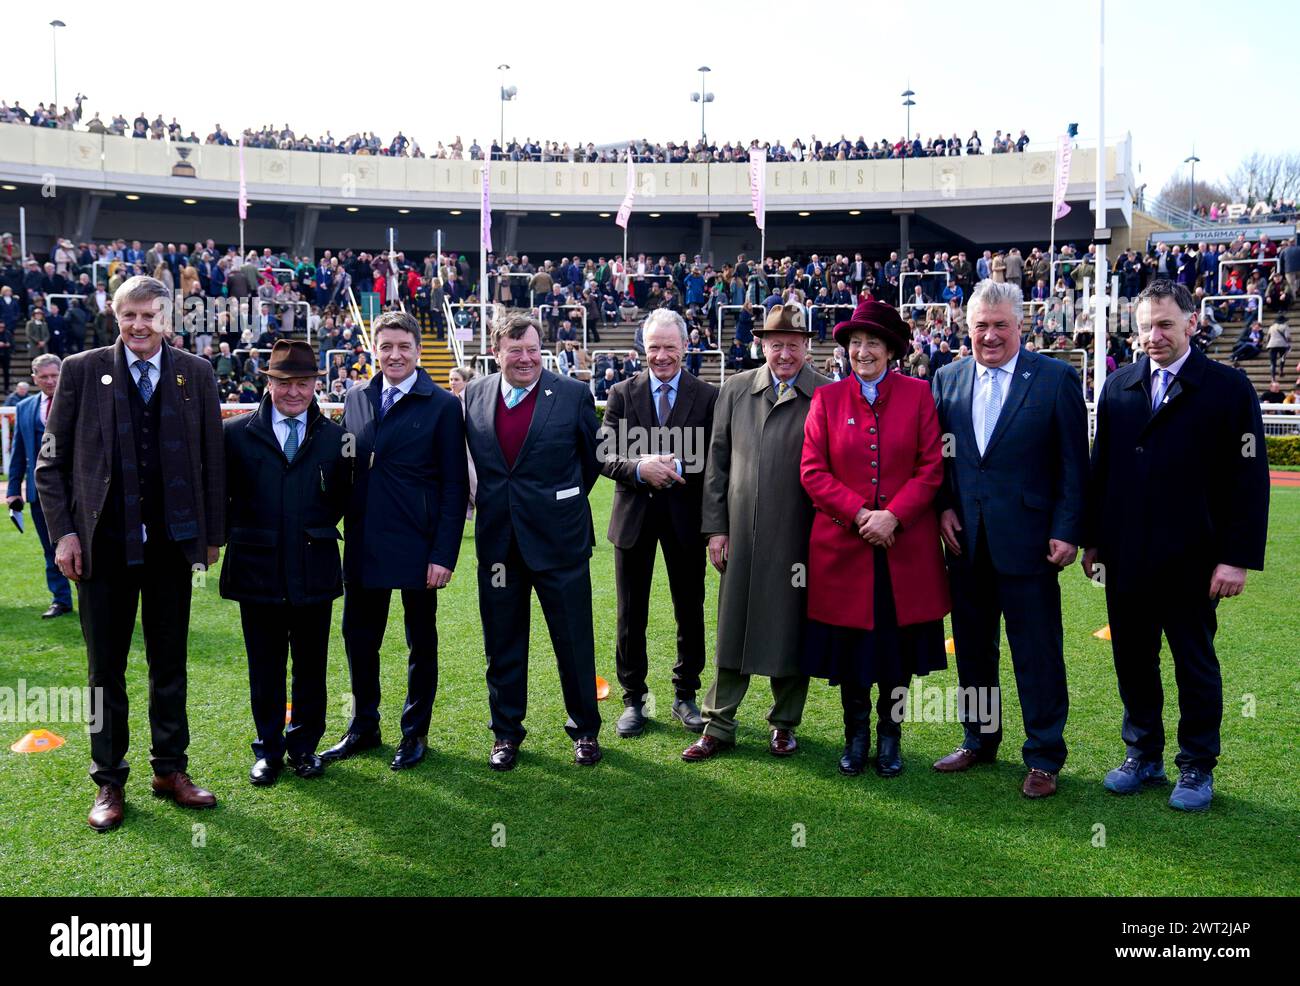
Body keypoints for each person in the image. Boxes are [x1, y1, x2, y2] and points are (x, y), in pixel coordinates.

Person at [35, 275, 225, 832]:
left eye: (150, 316)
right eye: (129, 316)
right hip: (102, 549)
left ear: (169, 318)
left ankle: (170, 770)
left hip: (171, 548)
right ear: (114, 317)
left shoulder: (198, 373)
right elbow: (51, 465)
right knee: (104, 672)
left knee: (169, 665)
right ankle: (109, 780)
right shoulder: (80, 370)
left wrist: (210, 536)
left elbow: (213, 461)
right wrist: (65, 535)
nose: (139, 326)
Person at [1083, 281, 1269, 812]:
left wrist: (1235, 557)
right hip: (1126, 557)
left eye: (1164, 324)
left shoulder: (1229, 389)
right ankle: (1142, 754)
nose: (1153, 336)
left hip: (1195, 559)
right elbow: (1103, 472)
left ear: (1192, 323)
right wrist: (1094, 540)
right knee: (1132, 659)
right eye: (1144, 326)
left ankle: (1196, 765)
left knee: (1194, 662)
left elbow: (1249, 481)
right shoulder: (1118, 385)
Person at [930, 280, 1088, 799]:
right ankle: (979, 738)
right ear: (966, 327)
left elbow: (1073, 464)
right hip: (966, 546)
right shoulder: (946, 379)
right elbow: (937, 463)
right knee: (974, 651)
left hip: (1031, 544)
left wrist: (1068, 530)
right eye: (981, 326)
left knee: (1037, 652)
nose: (990, 335)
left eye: (1000, 325)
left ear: (1022, 325)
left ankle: (1044, 755)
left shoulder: (1056, 378)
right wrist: (943, 510)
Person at [801, 301, 950, 777]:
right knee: (851, 652)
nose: (862, 352)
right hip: (843, 549)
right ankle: (856, 734)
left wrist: (894, 517)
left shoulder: (919, 394)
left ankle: (891, 735)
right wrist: (862, 515)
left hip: (903, 549)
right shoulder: (826, 400)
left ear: (891, 351)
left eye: (873, 344)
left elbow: (932, 469)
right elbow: (812, 471)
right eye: (855, 343)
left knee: (896, 651)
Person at [683, 304, 831, 762]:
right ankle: (718, 723)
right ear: (761, 344)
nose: (783, 353)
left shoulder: (827, 393)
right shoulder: (735, 389)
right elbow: (717, 463)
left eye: (792, 344)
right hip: (741, 533)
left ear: (806, 345)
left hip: (800, 535)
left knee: (792, 628)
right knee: (734, 627)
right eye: (775, 344)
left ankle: (785, 724)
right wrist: (715, 529)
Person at [324, 312, 468, 771]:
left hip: (418, 547)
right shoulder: (356, 397)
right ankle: (364, 726)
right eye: (386, 346)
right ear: (375, 350)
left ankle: (414, 733)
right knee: (358, 638)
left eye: (403, 346)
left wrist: (444, 554)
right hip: (364, 543)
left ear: (418, 350)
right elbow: (347, 469)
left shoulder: (443, 405)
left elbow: (453, 487)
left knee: (418, 642)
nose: (394, 355)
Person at [463, 315, 603, 770]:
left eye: (532, 349)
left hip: (559, 542)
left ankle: (584, 730)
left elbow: (590, 463)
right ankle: (506, 733)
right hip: (499, 546)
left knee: (574, 642)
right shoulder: (475, 395)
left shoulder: (572, 394)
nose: (525, 359)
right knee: (502, 644)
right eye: (515, 349)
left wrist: (555, 503)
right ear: (496, 350)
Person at [221, 341, 352, 785]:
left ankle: (304, 747)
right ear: (268, 383)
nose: (293, 392)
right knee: (265, 665)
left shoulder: (337, 437)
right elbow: (223, 498)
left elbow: (343, 499)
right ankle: (268, 749)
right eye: (283, 383)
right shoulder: (235, 433)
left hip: (314, 566)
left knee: (312, 664)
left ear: (316, 384)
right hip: (257, 568)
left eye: (302, 383)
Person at [599, 310, 718, 737]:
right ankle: (634, 700)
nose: (662, 355)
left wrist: (674, 463)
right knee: (631, 614)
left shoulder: (707, 396)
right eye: (654, 347)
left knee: (690, 610)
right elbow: (605, 455)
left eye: (670, 347)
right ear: (642, 348)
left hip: (687, 521)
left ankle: (685, 694)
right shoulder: (621, 393)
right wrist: (638, 467)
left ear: (685, 347)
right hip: (634, 520)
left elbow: (716, 461)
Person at [5, 354, 73, 618]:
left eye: (54, 375)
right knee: (51, 548)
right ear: (34, 378)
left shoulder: (75, 401)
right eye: (43, 377)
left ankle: (90, 597)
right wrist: (13, 490)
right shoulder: (25, 408)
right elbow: (18, 452)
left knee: (85, 547)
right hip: (39, 493)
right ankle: (60, 599)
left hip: (77, 491)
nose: (50, 381)